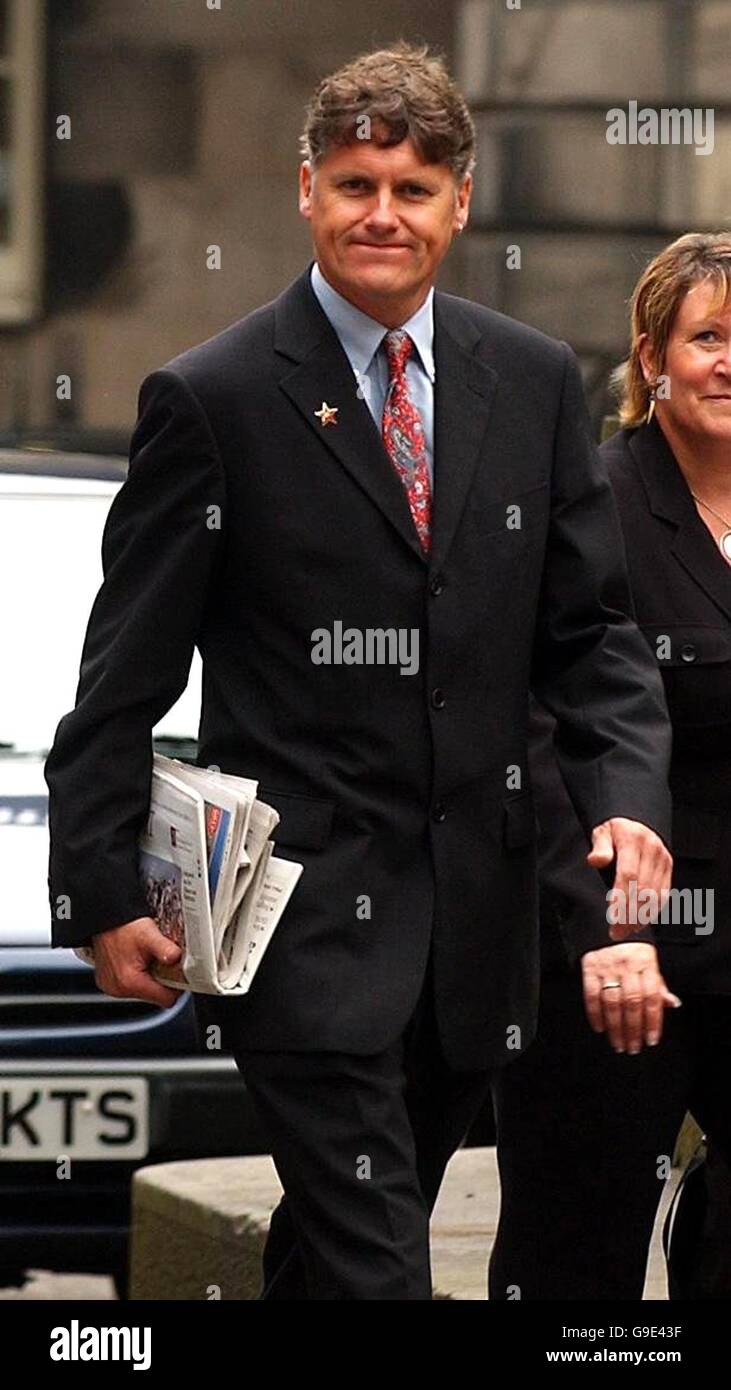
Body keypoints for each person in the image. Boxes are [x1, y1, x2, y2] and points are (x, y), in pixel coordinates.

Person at [45, 42, 672, 1301]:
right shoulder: (212, 399)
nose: (381, 214)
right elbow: (125, 672)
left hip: (477, 938)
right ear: (306, 193)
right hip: (299, 928)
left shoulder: (533, 380)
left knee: (335, 1260)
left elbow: (589, 638)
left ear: (457, 204)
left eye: (411, 188)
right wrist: (102, 886)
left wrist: (625, 801)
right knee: (381, 1266)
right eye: (353, 184)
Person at [489, 232, 731, 1301]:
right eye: (707, 338)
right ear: (650, 362)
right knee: (573, 1251)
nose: (728, 362)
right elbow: (540, 728)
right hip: (614, 953)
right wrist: (601, 931)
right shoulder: (594, 504)